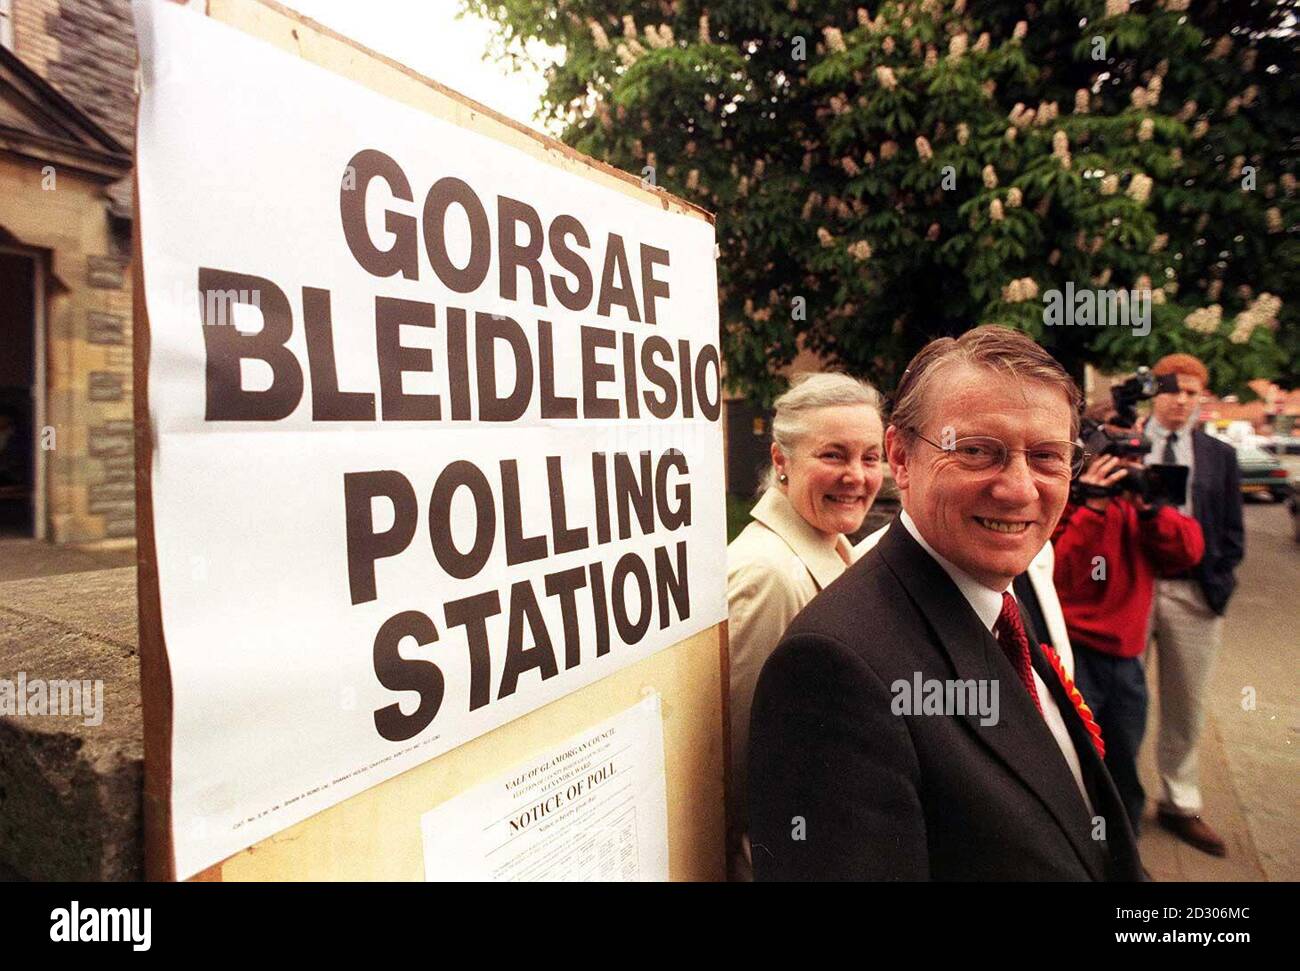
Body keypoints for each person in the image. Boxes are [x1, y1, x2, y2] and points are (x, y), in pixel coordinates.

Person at [748, 325, 1144, 881]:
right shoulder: (833, 670)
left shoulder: (994, 593)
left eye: (1048, 457)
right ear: (901, 458)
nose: (1020, 488)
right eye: (979, 451)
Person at [725, 372, 885, 880]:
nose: (856, 476)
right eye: (833, 455)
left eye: (870, 457)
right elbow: (746, 762)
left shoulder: (827, 545)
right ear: (781, 462)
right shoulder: (769, 574)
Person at [1052, 420, 1204, 835]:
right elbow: (1062, 575)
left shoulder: (1143, 505)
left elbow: (1187, 552)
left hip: (1126, 663)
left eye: (1136, 459)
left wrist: (1151, 508)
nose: (1128, 468)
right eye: (1118, 459)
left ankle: (1124, 855)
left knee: (1123, 764)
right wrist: (1093, 507)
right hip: (1075, 653)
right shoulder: (1074, 504)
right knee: (1072, 761)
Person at [1143, 354, 1244, 856]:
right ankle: (1111, 798)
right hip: (1132, 589)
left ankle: (1179, 803)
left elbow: (1231, 529)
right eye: (1173, 389)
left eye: (1192, 391)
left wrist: (1217, 581)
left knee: (1186, 705)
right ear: (1155, 392)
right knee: (1119, 704)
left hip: (1193, 593)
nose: (1182, 399)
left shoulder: (1219, 455)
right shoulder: (1126, 441)